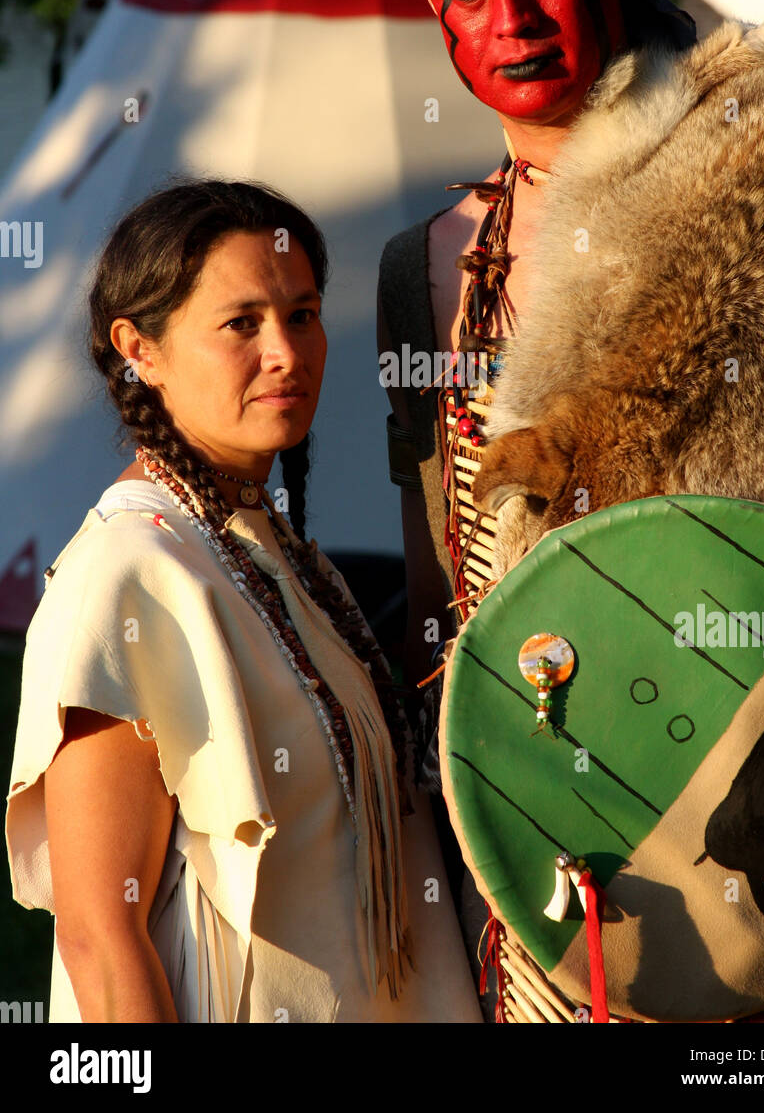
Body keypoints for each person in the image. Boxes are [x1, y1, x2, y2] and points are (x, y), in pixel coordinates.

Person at [6, 178, 481, 1023]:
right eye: (242, 323)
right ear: (138, 349)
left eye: (303, 315)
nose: (287, 354)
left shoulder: (278, 557)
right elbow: (99, 935)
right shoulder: (128, 573)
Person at [377, 0, 695, 1019]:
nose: (507, 20)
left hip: (763, 817)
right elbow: (436, 594)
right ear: (428, 0)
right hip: (536, 852)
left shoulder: (756, 198)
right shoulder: (425, 272)